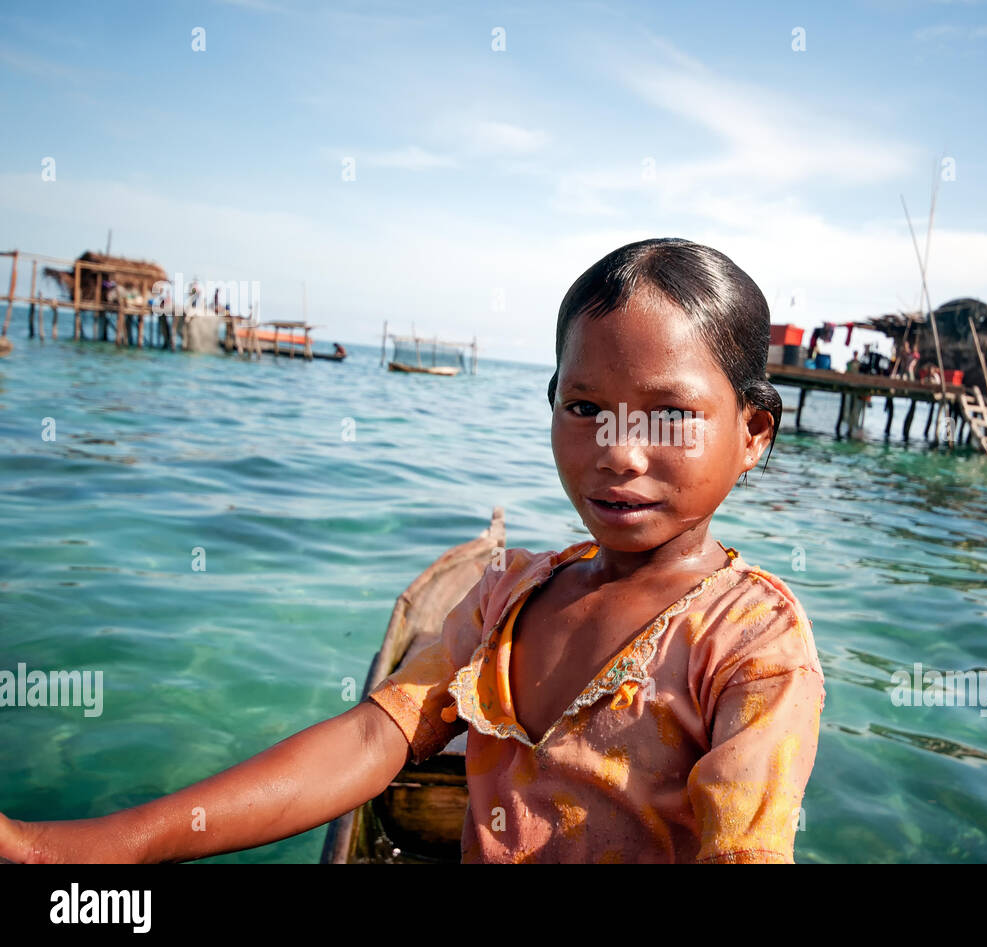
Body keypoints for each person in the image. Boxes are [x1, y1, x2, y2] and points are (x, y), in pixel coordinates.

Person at [0, 238, 825, 865]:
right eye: (584, 406)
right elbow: (369, 743)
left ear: (752, 431)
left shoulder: (751, 645)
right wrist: (70, 847)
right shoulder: (507, 596)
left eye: (668, 415)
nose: (618, 449)